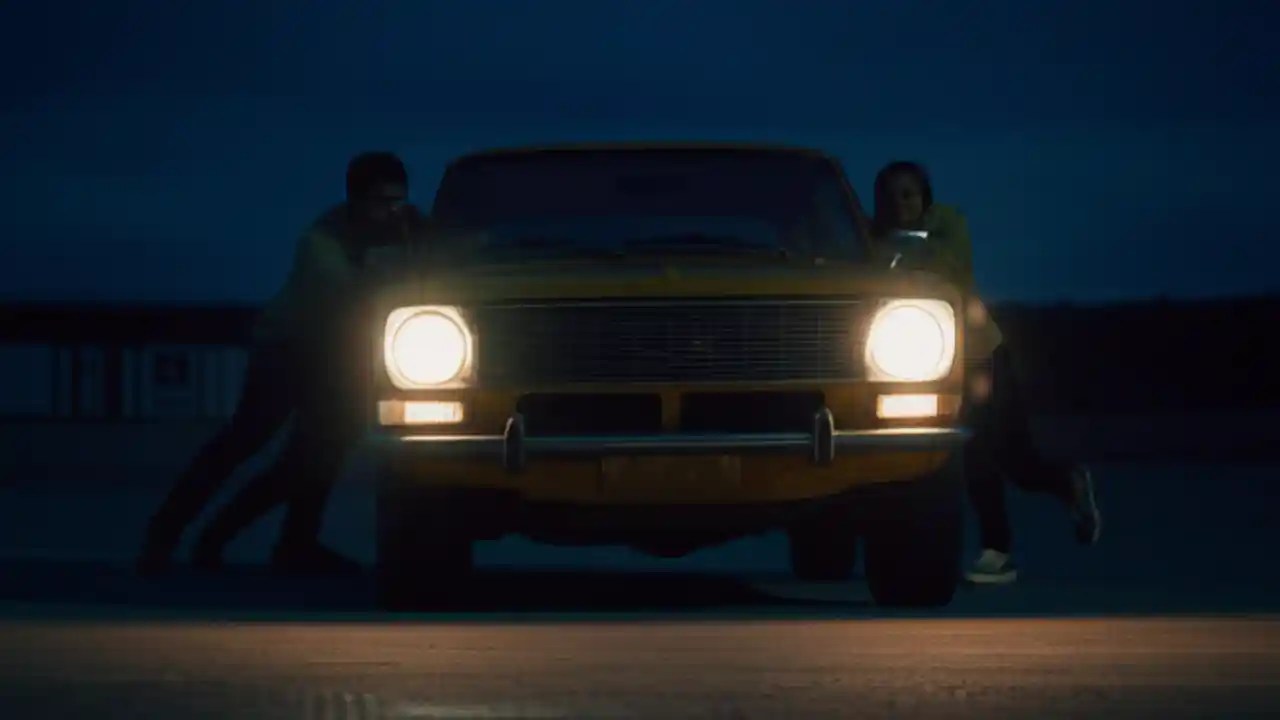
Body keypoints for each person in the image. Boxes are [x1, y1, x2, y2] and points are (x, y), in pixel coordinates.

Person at [137, 151, 423, 576]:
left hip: (338, 355)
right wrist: (401, 266)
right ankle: (164, 536)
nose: (392, 211)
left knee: (319, 454)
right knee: (241, 444)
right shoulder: (320, 241)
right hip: (287, 350)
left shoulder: (405, 226)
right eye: (383, 202)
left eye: (399, 200)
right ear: (356, 200)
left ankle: (289, 543)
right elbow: (349, 291)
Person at [871, 160, 1102, 585]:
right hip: (928, 362)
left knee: (990, 454)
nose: (899, 203)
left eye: (907, 194)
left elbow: (949, 264)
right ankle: (1066, 484)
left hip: (981, 356)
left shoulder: (948, 225)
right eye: (889, 196)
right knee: (1008, 460)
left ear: (924, 198)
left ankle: (999, 552)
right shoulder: (873, 237)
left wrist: (896, 248)